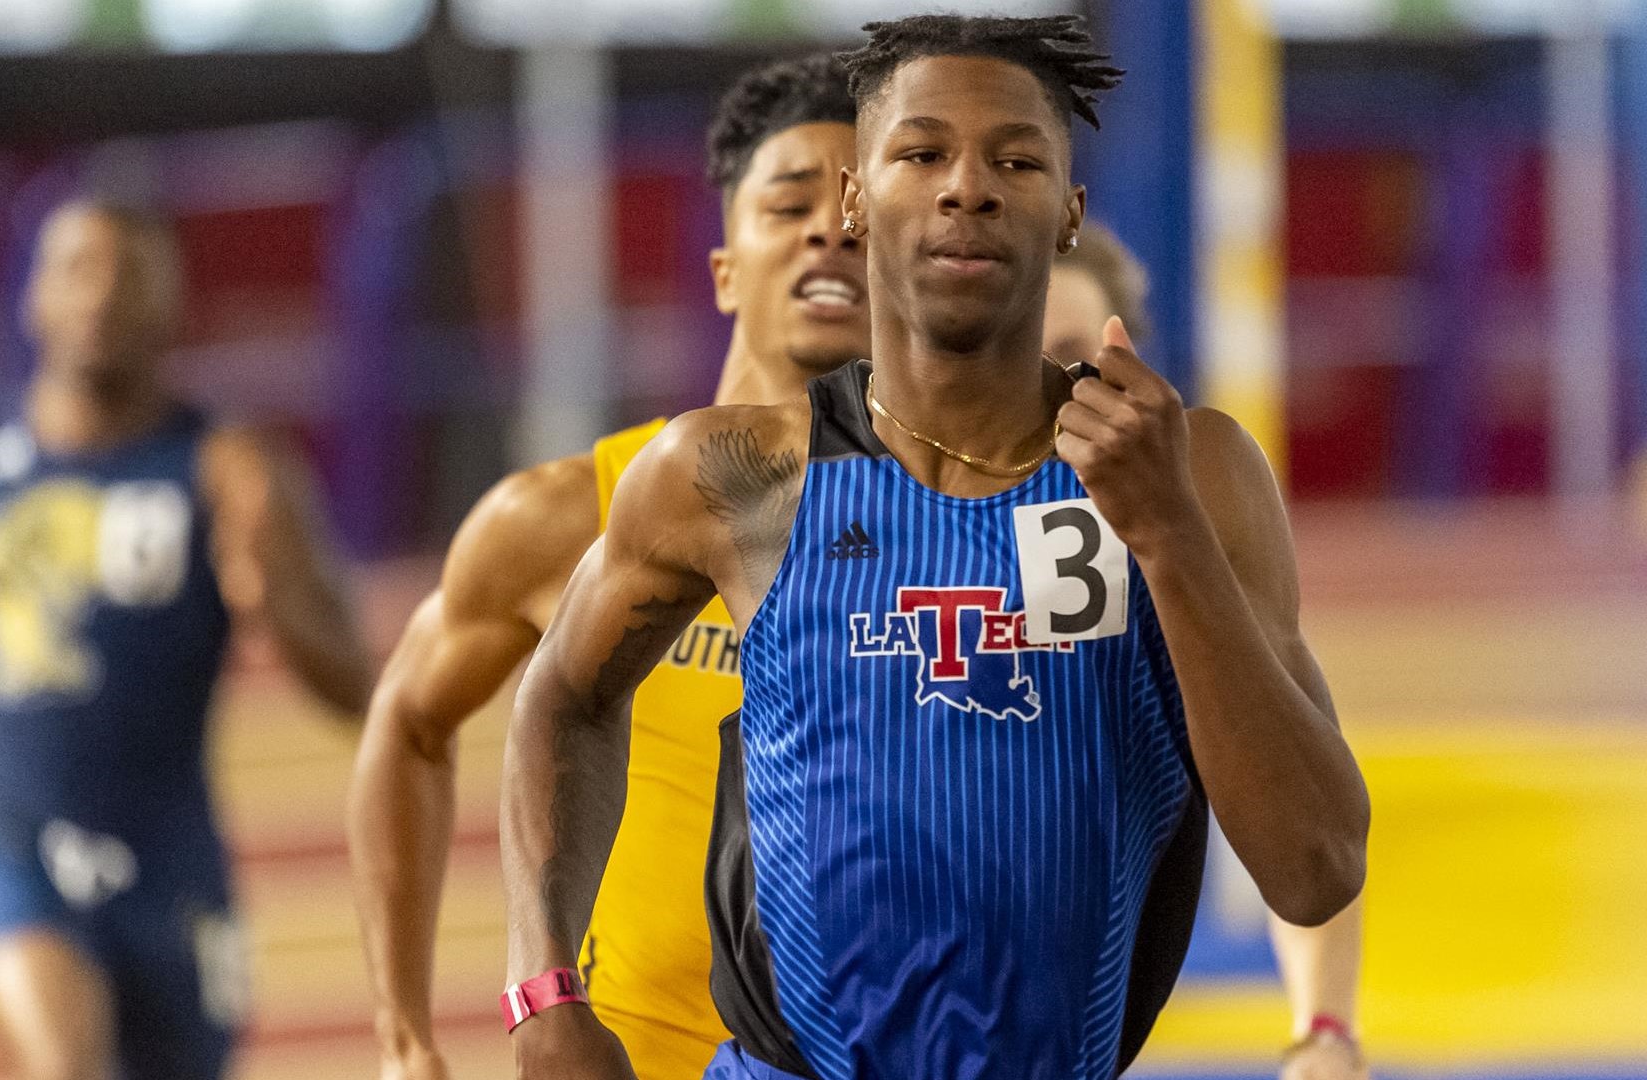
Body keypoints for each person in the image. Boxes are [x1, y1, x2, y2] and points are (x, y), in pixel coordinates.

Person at [498, 14, 1368, 1080]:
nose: (968, 187)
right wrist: (543, 992)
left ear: (1067, 215)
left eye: (1017, 160)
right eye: (922, 154)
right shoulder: (731, 478)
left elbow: (1317, 868)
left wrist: (1169, 536)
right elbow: (563, 700)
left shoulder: (1194, 475)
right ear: (858, 199)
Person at [346, 54, 865, 1080]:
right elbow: (408, 720)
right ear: (723, 267)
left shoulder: (958, 519)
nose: (831, 230)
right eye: (791, 201)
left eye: (861, 212)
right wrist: (404, 1032)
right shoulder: (573, 514)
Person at [0, 199, 370, 1080]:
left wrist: (278, 603)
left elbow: (356, 689)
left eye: (131, 273)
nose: (100, 295)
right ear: (34, 296)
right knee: (63, 1061)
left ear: (174, 304)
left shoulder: (227, 468)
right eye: (76, 268)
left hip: (171, 869)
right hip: (11, 848)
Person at [1046, 223, 1370, 1080]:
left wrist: (1324, 1030)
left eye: (1075, 355)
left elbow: (1300, 807)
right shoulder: (850, 507)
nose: (1048, 385)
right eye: (1015, 350)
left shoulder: (1175, 513)